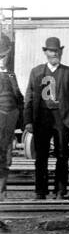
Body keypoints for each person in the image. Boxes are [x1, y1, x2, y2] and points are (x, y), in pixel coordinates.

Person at [23, 37, 69, 199]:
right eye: (51, 50)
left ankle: (60, 190)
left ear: (61, 52)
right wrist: (28, 121)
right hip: (42, 117)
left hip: (62, 117)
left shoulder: (68, 72)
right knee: (41, 156)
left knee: (62, 155)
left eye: (57, 50)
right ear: (45, 52)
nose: (54, 53)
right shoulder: (37, 71)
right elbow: (29, 97)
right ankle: (40, 191)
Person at [0, 36, 22, 200]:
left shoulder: (11, 75)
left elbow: (18, 98)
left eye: (4, 55)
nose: (3, 58)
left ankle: (1, 193)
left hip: (9, 122)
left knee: (6, 157)